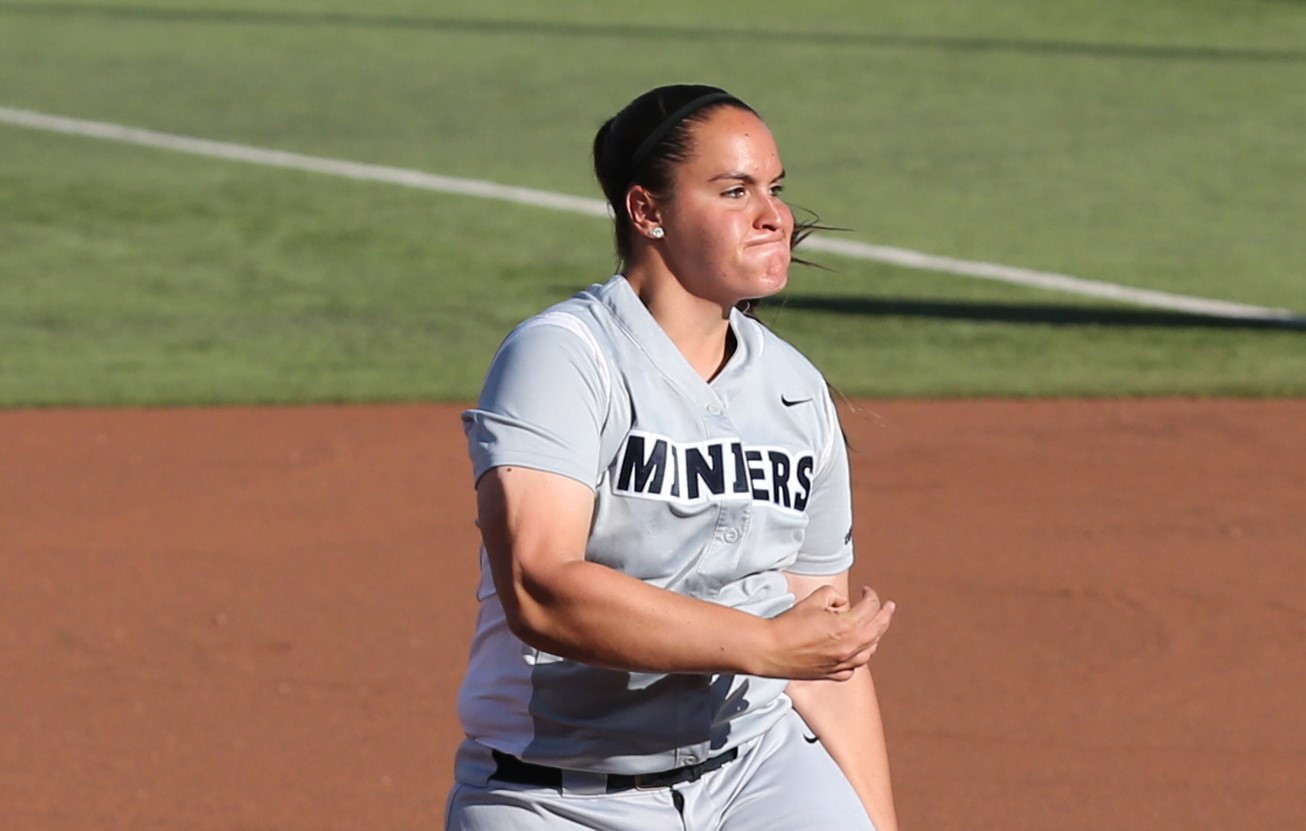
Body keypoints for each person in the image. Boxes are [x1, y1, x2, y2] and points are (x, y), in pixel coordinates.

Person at [445, 83, 899, 831]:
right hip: (556, 796)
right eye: (734, 190)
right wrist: (763, 644)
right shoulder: (567, 357)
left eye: (775, 188)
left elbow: (825, 651)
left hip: (758, 770)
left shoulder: (794, 390)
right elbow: (540, 586)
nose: (774, 215)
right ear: (647, 211)